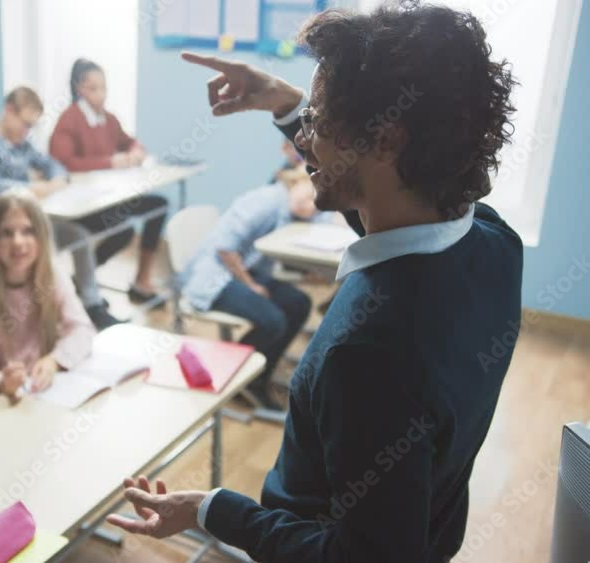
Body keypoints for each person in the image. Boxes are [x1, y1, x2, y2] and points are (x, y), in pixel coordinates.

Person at [107, 4, 523, 563]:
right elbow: (381, 205)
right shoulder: (494, 242)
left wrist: (215, 510)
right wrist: (285, 102)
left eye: (319, 122)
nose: (304, 138)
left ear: (387, 141)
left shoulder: (369, 352)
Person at [181, 169, 329, 412]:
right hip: (215, 276)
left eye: (317, 201)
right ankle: (236, 375)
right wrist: (251, 286)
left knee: (299, 303)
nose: (311, 205)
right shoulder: (266, 201)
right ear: (299, 180)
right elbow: (225, 249)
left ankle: (259, 374)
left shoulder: (298, 209)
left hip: (248, 271)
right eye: (309, 193)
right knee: (273, 321)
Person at [0, 86, 120, 329]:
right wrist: (29, 188)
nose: (28, 130)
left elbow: (52, 164)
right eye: (25, 123)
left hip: (31, 223)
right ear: (9, 111)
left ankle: (92, 304)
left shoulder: (22, 144)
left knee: (80, 237)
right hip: (3, 233)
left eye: (32, 126)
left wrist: (57, 179)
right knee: (45, 246)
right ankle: (50, 316)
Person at [0, 190, 96, 410]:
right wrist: (2, 382)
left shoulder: (52, 275)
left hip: (42, 394)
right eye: (7, 233)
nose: (18, 242)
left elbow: (82, 329)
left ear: (41, 236)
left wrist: (54, 361)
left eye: (28, 231)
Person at [49, 59, 167, 302]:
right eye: (93, 88)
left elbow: (130, 141)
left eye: (104, 88)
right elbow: (64, 162)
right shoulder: (69, 119)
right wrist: (110, 162)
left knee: (159, 205)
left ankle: (141, 281)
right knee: (123, 229)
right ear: (79, 89)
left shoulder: (108, 119)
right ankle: (84, 280)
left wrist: (135, 151)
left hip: (112, 196)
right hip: (83, 205)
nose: (100, 94)